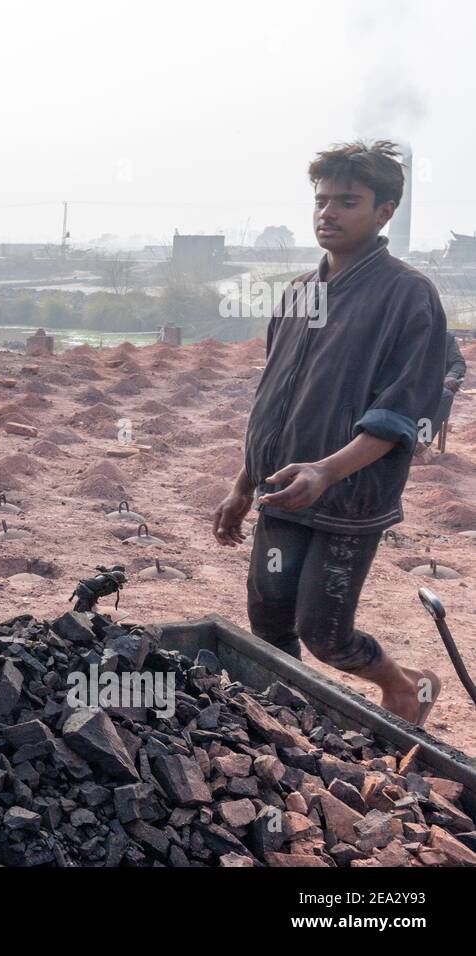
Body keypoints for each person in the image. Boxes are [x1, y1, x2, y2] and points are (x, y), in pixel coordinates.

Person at [212, 140, 445, 724]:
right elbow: (272, 399)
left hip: (347, 496)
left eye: (348, 201)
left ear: (385, 210)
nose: (328, 213)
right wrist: (244, 485)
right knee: (268, 621)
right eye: (322, 201)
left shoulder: (406, 295)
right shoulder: (298, 293)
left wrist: (326, 470)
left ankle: (402, 684)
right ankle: (285, 726)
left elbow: (398, 417)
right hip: (283, 490)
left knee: (324, 632)